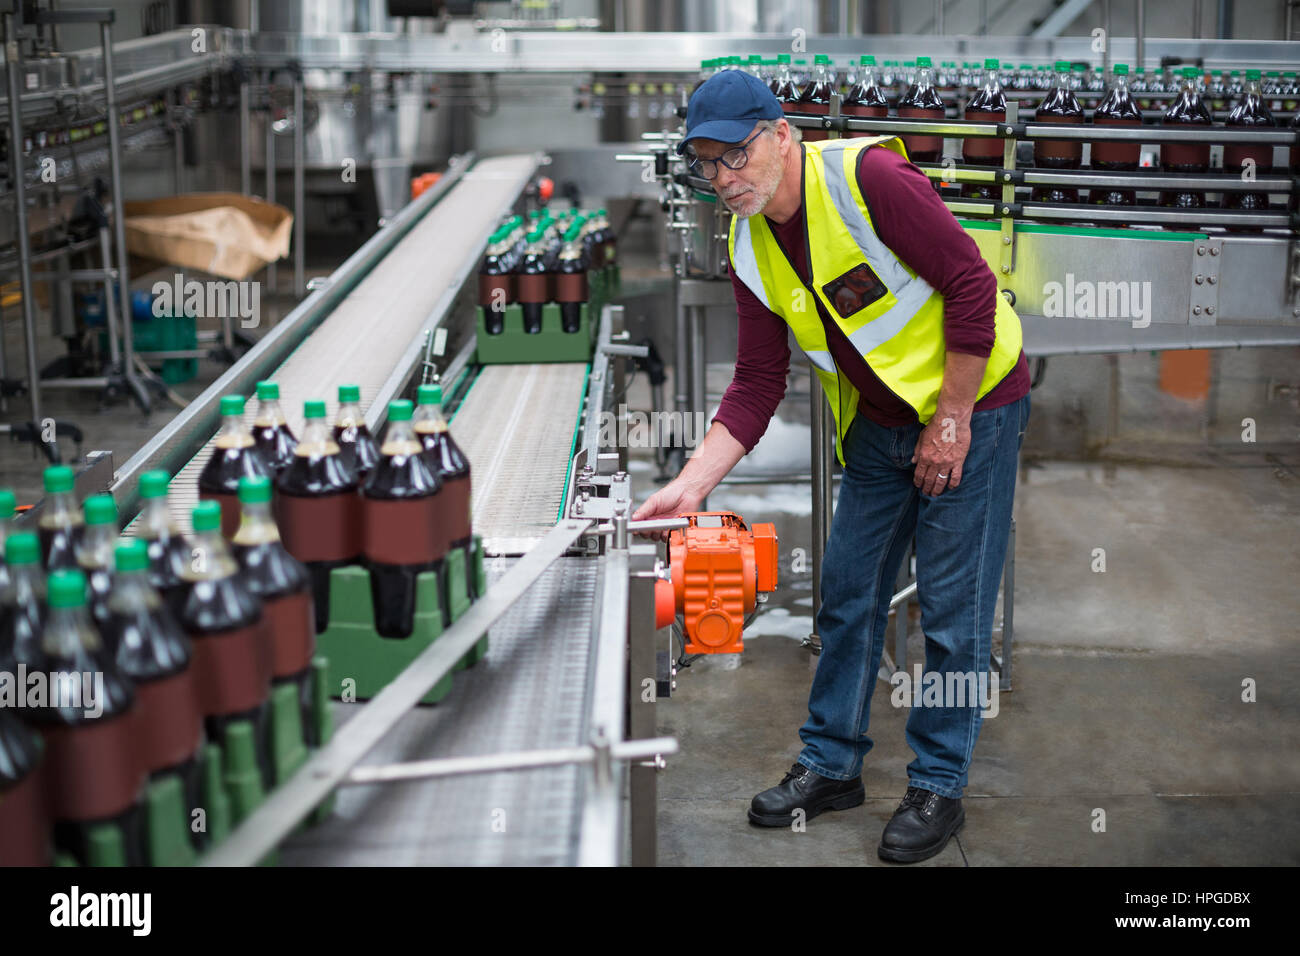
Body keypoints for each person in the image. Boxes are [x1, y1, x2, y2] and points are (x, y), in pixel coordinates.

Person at [632, 68, 1031, 863]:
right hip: (879, 430)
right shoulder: (746, 242)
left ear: (784, 135)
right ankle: (831, 763)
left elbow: (971, 284)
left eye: (735, 156)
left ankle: (939, 784)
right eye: (706, 164)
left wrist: (950, 422)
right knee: (849, 598)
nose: (723, 180)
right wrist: (690, 484)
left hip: (973, 409)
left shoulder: (868, 180)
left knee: (951, 617)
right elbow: (754, 383)